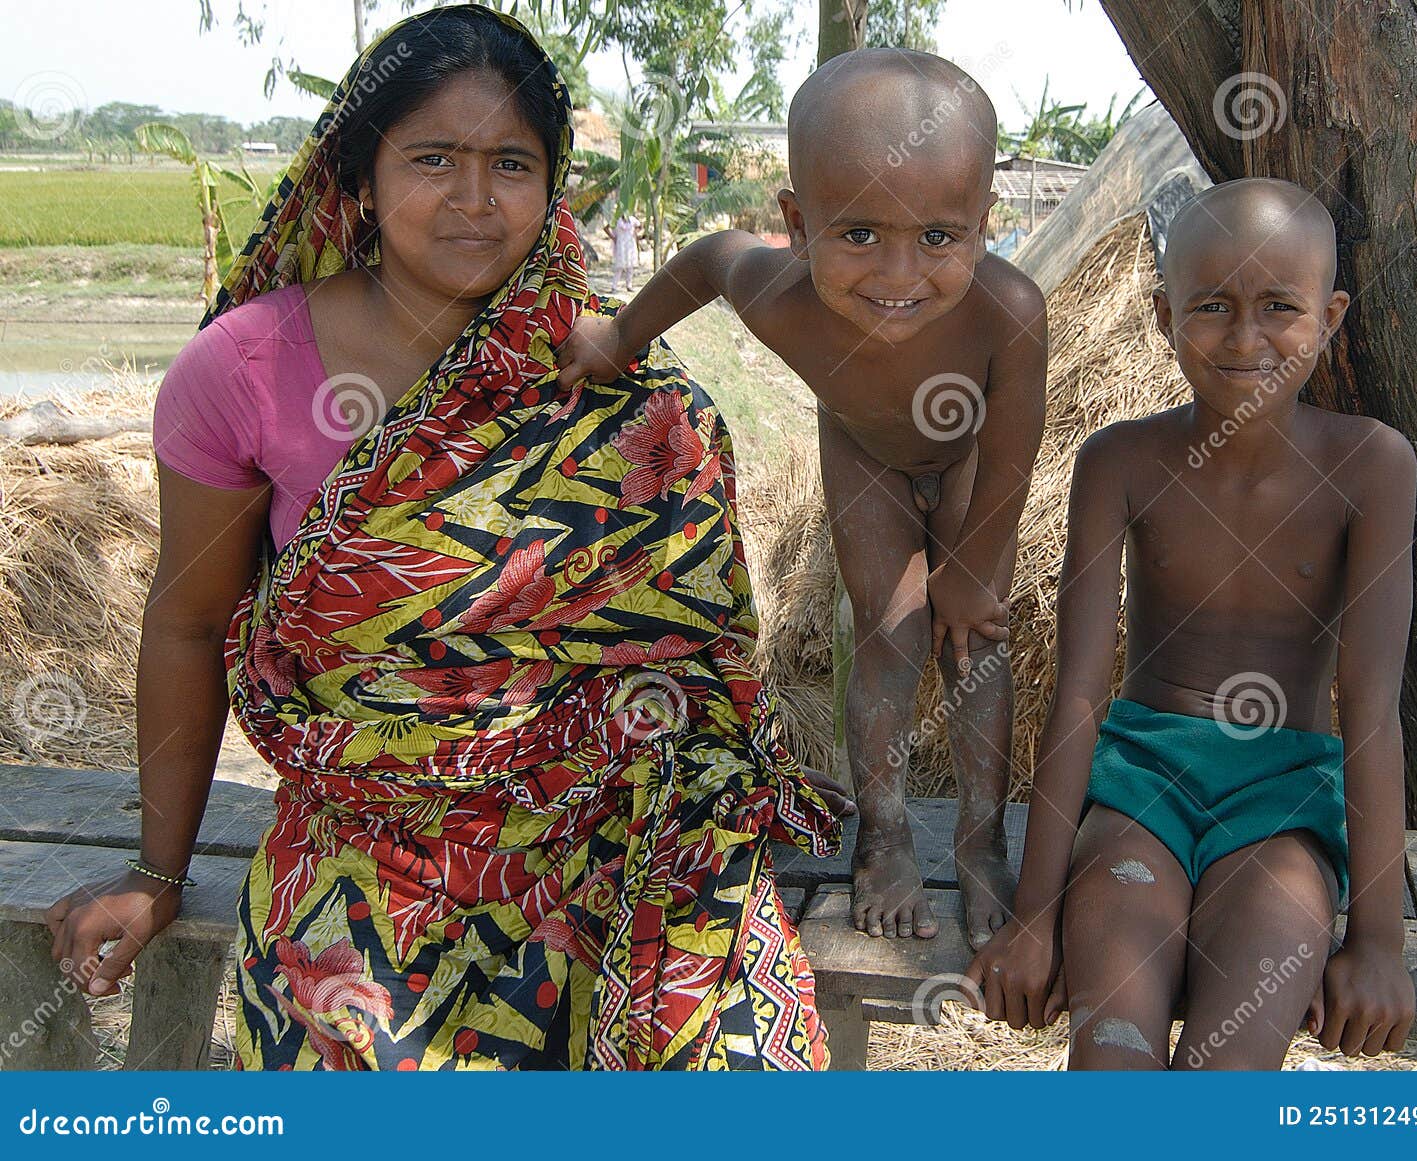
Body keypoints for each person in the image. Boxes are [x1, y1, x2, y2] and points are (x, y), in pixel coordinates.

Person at [44, 4, 851, 1071]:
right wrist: (157, 872)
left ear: (551, 186)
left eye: (511, 164)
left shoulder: (626, 390)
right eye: (433, 159)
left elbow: (692, 657)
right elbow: (188, 624)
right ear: (360, 180)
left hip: (619, 841)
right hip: (368, 851)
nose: (474, 199)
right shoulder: (244, 369)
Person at [558, 48, 1047, 949]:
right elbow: (709, 260)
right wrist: (618, 336)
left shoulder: (1008, 310)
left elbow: (1017, 443)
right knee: (889, 634)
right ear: (796, 222)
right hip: (865, 453)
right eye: (858, 235)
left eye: (938, 238)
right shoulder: (778, 296)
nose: (898, 273)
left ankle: (982, 841)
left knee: (973, 640)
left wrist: (976, 567)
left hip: (977, 462)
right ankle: (884, 835)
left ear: (983, 227)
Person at [966, 178, 1417, 1068]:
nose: (1245, 338)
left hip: (1282, 801)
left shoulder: (1371, 466)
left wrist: (1378, 941)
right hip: (1142, 787)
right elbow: (1079, 693)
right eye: (1211, 306)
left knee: (1228, 1075)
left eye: (1279, 307)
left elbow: (1370, 708)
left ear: (1329, 317)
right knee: (1112, 1062)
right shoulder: (1120, 461)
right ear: (1164, 314)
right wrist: (1034, 916)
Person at [605, 208, 641, 291]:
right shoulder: (616, 220)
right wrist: (613, 237)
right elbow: (606, 228)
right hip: (621, 245)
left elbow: (639, 226)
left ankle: (629, 285)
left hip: (630, 245)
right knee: (619, 267)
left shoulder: (632, 219)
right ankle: (614, 286)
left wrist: (635, 233)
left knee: (630, 266)